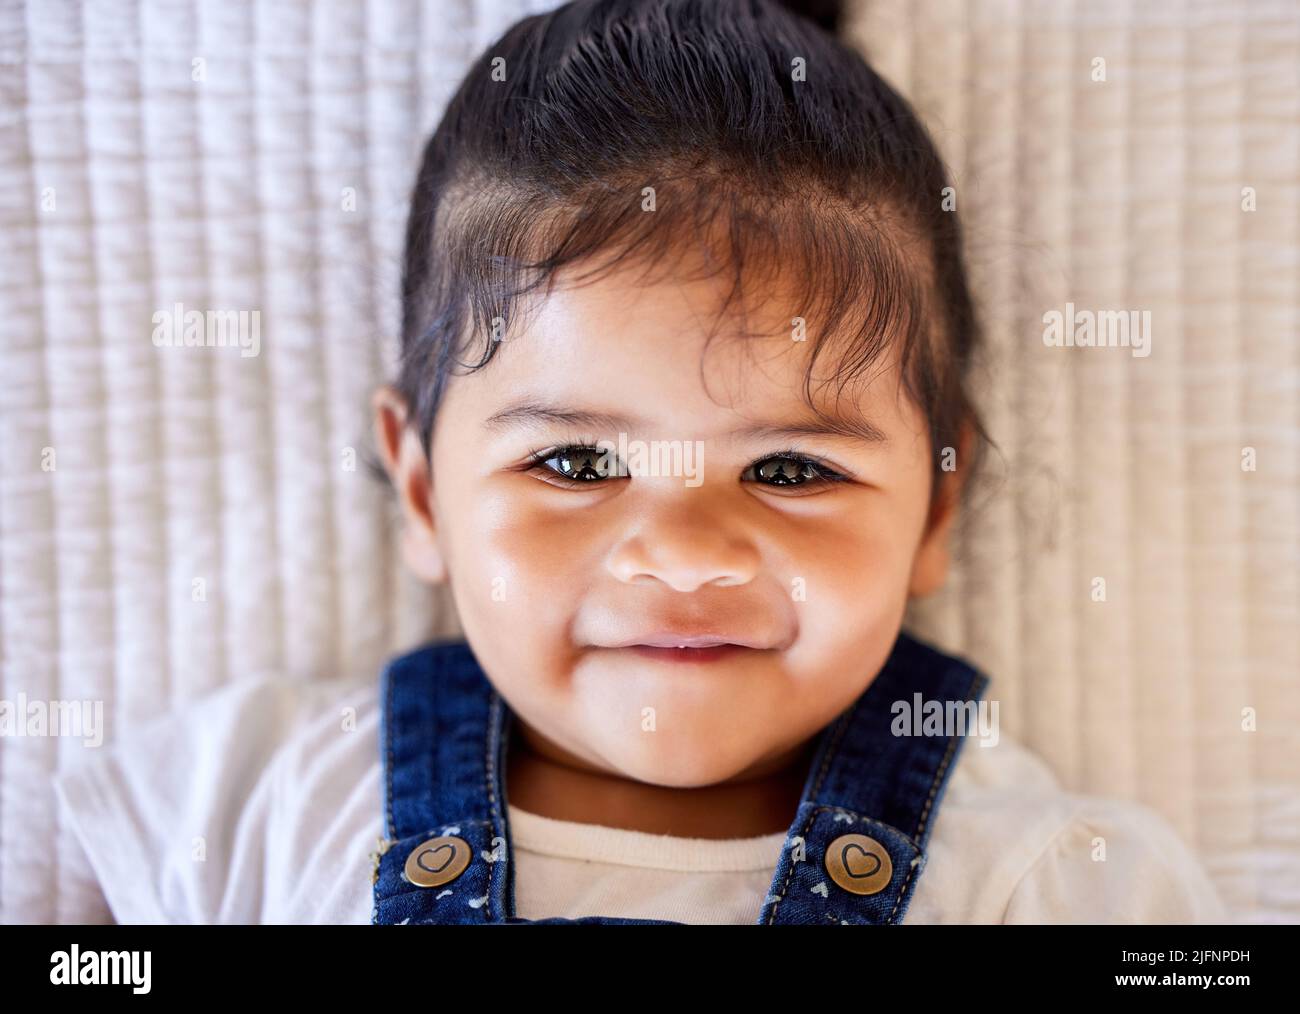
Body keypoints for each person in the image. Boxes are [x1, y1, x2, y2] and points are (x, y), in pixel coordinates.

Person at [54, 0, 1227, 925]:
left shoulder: (1053, 883)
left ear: (935, 504)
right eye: (572, 461)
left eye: (788, 471)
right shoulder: (254, 803)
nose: (681, 555)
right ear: (420, 489)